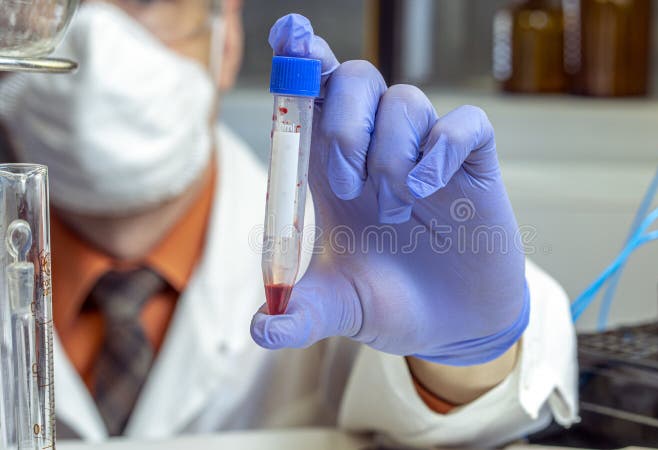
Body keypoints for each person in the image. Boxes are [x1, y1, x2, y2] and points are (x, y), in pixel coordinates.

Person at [0, 0, 578, 447]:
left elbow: (477, 420)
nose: (97, 43)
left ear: (225, 38)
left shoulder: (331, 250)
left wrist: (467, 356)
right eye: (49, 3)